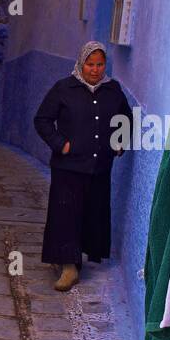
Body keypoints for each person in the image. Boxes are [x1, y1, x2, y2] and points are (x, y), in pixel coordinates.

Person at [32, 41, 133, 292]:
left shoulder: (112, 90)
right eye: (90, 64)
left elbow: (125, 118)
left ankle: (77, 258)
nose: (95, 70)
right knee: (66, 215)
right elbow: (42, 119)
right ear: (81, 63)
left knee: (91, 213)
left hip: (99, 167)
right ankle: (69, 266)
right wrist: (60, 144)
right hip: (68, 167)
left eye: (100, 65)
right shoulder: (64, 88)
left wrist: (119, 142)